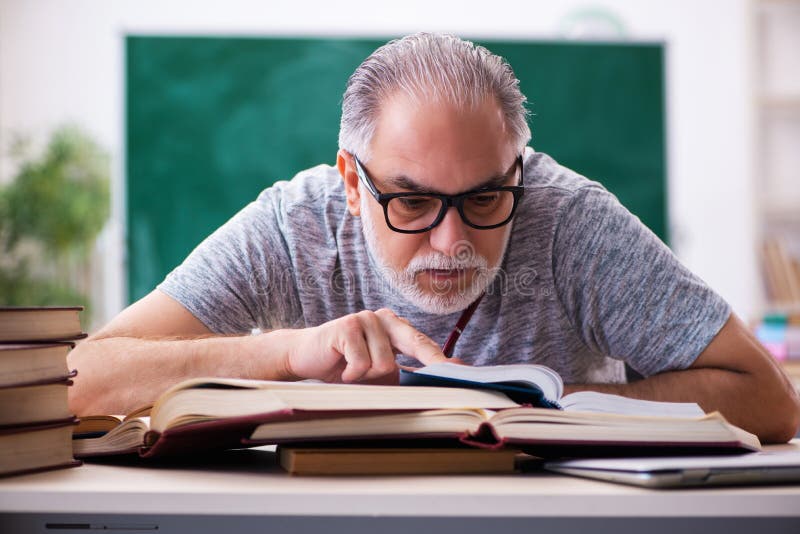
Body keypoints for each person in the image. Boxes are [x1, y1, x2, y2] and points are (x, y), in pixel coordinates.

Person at [69, 33, 799, 443]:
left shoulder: (571, 217)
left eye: (485, 196)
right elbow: (76, 383)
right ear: (353, 184)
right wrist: (284, 353)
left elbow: (769, 400)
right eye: (412, 201)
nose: (451, 242)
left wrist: (546, 411)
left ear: (518, 169)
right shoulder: (295, 224)